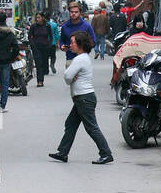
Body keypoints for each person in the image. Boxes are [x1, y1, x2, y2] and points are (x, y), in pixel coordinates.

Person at [48, 32, 114, 165]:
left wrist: (71, 76)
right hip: (82, 98)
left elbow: (67, 77)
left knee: (91, 127)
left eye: (73, 42)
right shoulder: (83, 58)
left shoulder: (79, 59)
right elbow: (70, 77)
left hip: (84, 98)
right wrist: (72, 76)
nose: (70, 45)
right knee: (70, 124)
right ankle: (63, 152)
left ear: (80, 45)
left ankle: (106, 153)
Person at [27, 12, 52, 87]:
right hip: (36, 47)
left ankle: (42, 77)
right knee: (38, 64)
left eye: (39, 17)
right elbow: (30, 36)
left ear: (42, 18)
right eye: (36, 18)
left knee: (44, 63)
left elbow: (50, 36)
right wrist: (32, 45)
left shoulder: (47, 26)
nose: (37, 19)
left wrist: (49, 44)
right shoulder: (33, 26)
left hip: (45, 47)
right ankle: (40, 81)